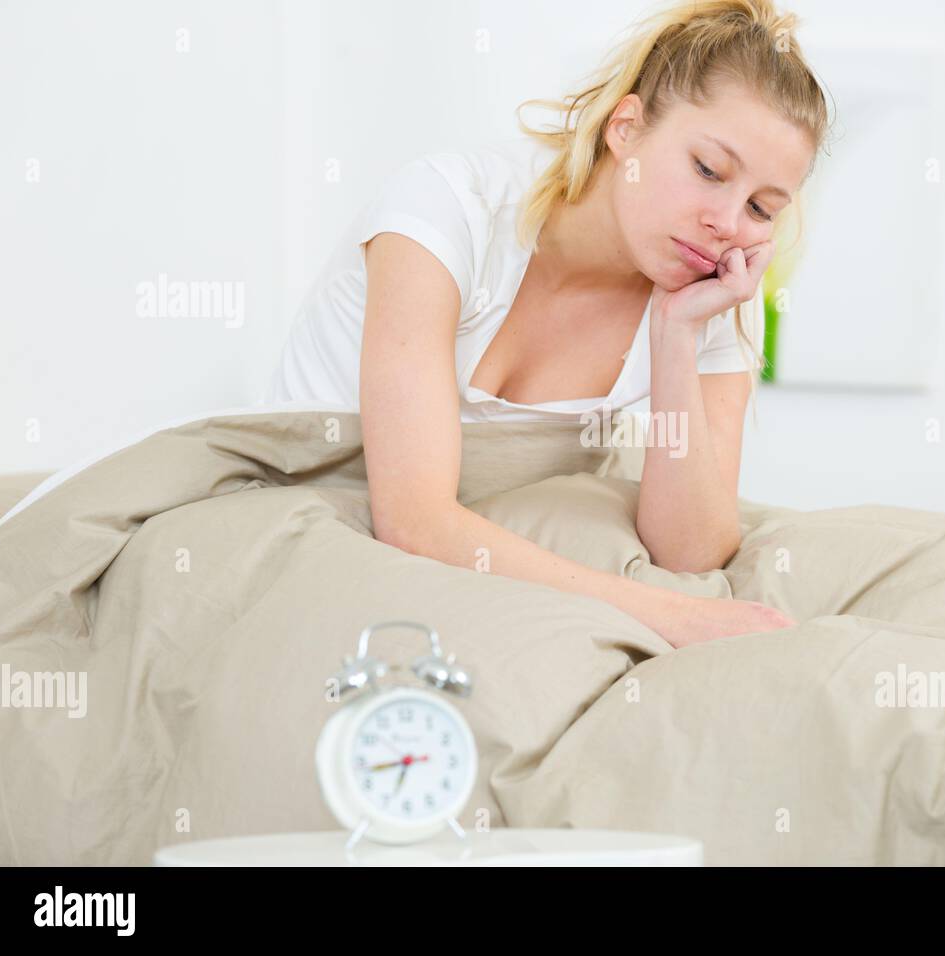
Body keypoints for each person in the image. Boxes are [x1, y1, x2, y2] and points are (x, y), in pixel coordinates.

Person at [266, 0, 829, 648]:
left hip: (492, 560)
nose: (728, 222)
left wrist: (676, 335)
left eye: (762, 207)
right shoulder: (448, 211)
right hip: (318, 521)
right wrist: (668, 616)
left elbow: (691, 552)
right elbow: (413, 522)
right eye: (707, 169)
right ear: (627, 130)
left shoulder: (709, 287)